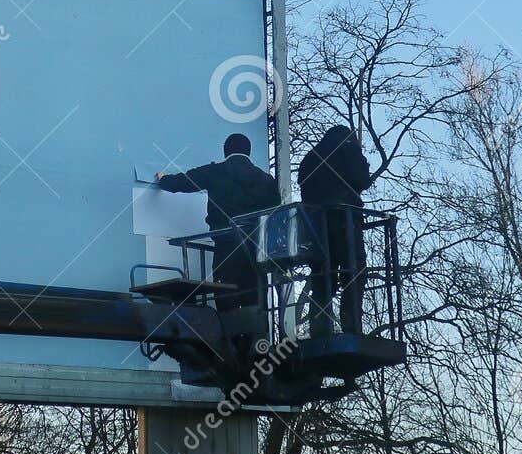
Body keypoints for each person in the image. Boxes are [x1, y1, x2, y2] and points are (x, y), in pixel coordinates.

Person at [155, 132, 280, 313]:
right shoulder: (265, 179)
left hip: (226, 245)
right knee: (255, 299)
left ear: (225, 151)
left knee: (226, 295)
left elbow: (185, 181)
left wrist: (164, 179)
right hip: (256, 249)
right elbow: (276, 210)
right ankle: (256, 338)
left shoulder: (216, 171)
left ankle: (230, 335)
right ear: (249, 151)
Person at [297, 125, 373, 334]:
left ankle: (319, 327)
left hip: (317, 227)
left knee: (322, 275)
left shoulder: (310, 158)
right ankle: (351, 324)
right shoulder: (348, 151)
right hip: (345, 222)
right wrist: (361, 159)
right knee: (353, 271)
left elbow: (305, 186)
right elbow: (362, 180)